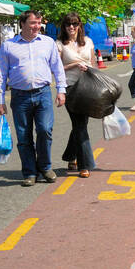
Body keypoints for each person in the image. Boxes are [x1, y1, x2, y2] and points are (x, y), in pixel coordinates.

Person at [0, 10, 67, 186]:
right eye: (33, 23)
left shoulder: (48, 42)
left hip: (43, 93)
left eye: (39, 23)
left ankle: (45, 167)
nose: (37, 26)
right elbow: (1, 74)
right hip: (19, 96)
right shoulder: (8, 45)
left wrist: (61, 89)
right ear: (23, 24)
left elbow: (57, 67)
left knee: (44, 130)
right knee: (23, 136)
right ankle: (30, 173)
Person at [57, 12, 96, 179]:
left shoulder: (88, 42)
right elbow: (56, 68)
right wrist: (74, 64)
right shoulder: (59, 44)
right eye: (68, 25)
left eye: (74, 24)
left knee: (80, 125)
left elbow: (93, 64)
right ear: (64, 27)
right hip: (71, 88)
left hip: (87, 88)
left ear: (79, 26)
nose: (71, 27)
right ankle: (84, 164)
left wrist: (89, 69)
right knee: (80, 126)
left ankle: (70, 156)